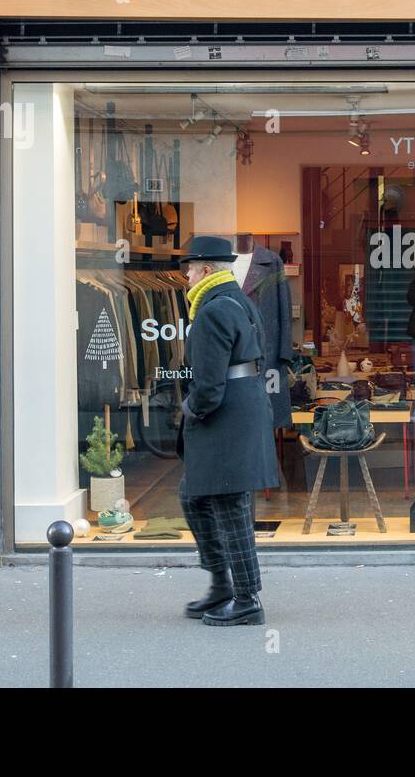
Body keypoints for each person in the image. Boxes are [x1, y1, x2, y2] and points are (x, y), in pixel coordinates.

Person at [176, 235, 279, 627]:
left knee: (230, 506)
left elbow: (208, 384)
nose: (185, 276)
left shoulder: (213, 310)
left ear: (205, 270)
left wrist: (190, 409)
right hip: (243, 412)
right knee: (195, 495)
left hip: (225, 420)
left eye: (189, 269)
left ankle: (246, 598)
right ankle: (222, 584)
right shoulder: (240, 302)